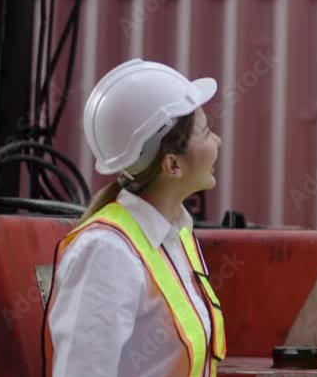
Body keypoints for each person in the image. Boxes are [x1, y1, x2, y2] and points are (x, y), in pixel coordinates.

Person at [41, 59, 227, 376]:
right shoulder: (106, 252)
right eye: (206, 132)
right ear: (172, 166)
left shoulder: (176, 235)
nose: (217, 141)